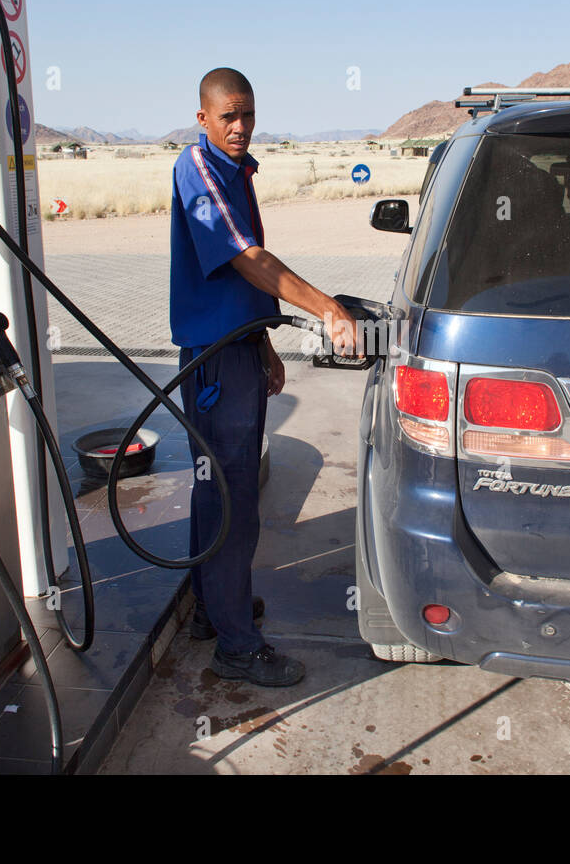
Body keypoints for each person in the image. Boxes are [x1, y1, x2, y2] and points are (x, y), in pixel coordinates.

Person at [168, 67, 359, 687]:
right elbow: (247, 259)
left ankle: (212, 610)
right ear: (203, 118)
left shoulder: (238, 169)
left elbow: (239, 278)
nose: (241, 127)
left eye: (248, 114)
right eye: (228, 116)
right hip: (214, 361)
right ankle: (238, 648)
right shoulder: (198, 169)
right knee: (230, 497)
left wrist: (264, 346)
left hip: (238, 350)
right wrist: (328, 307)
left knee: (218, 488)